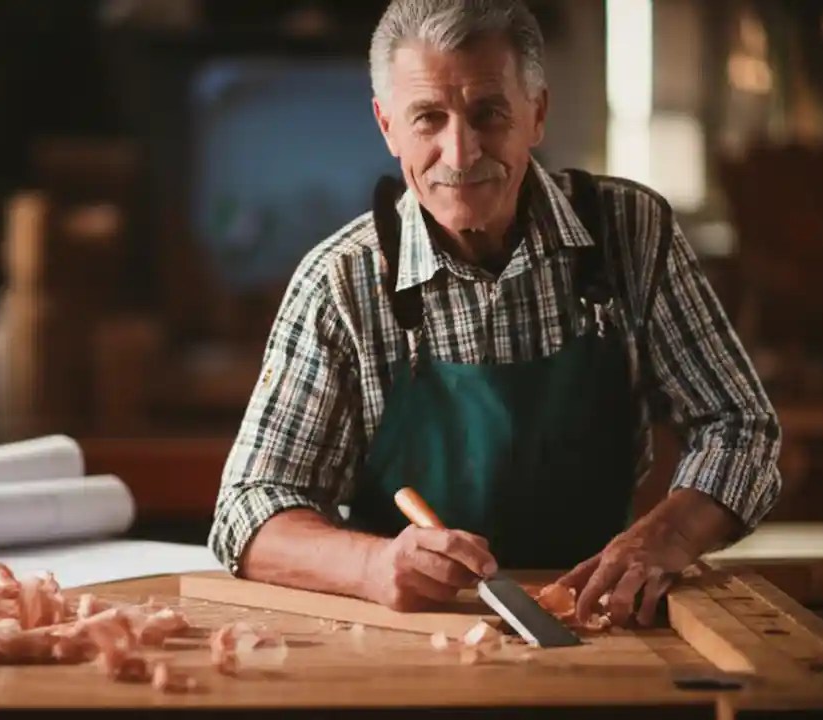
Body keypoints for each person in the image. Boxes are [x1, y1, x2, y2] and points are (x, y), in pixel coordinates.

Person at [208, 0, 782, 628]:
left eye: (489, 113)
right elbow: (248, 511)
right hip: (412, 641)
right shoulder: (340, 283)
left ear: (537, 113)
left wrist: (661, 541)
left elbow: (740, 427)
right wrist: (374, 567)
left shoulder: (630, 232)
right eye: (428, 118)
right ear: (386, 126)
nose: (461, 152)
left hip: (601, 622)